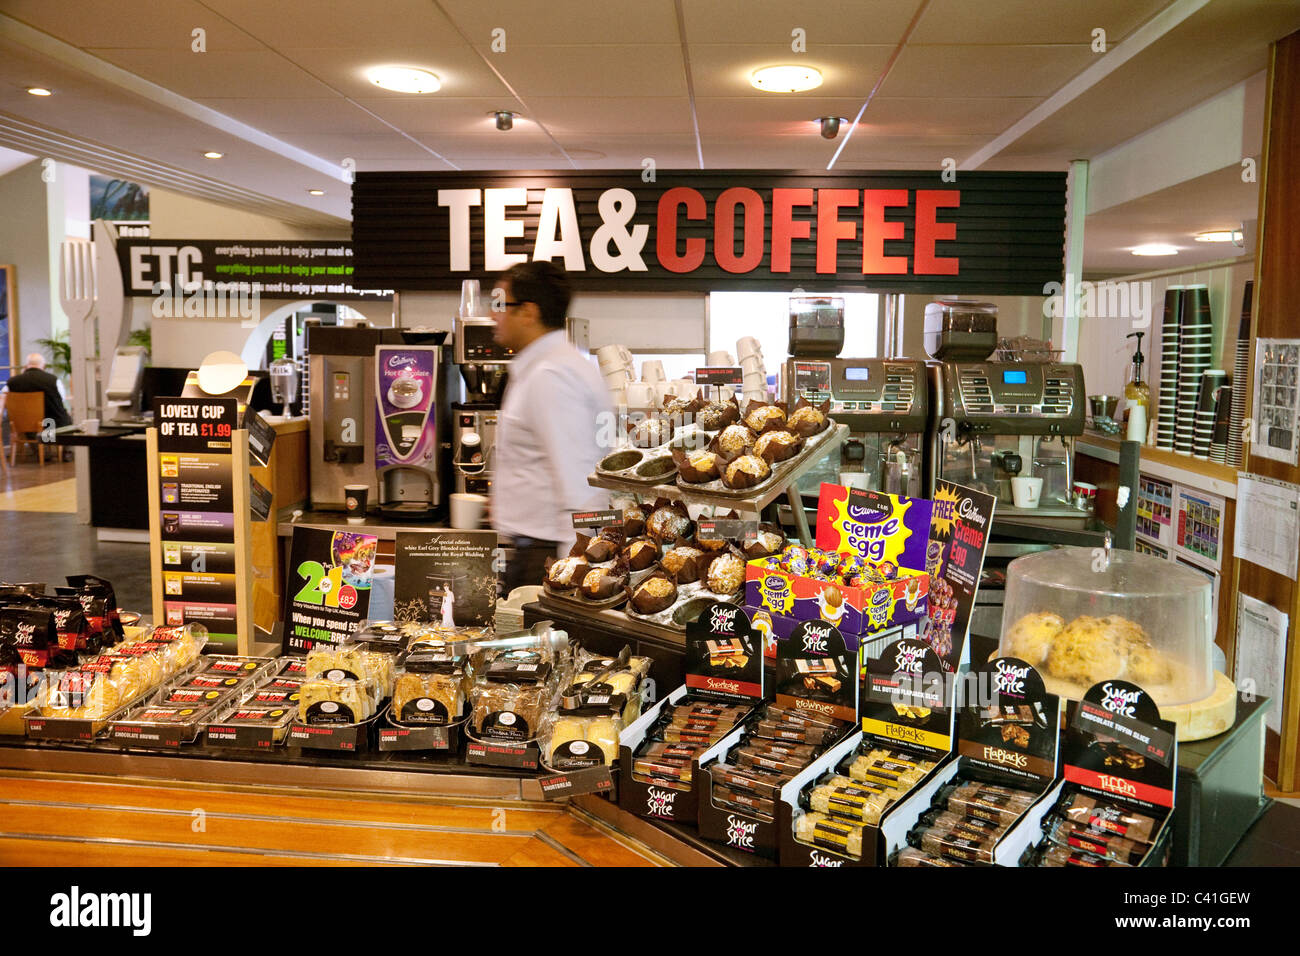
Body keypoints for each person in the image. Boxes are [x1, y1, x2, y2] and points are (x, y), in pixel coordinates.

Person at [490, 261, 613, 595]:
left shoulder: (552, 375)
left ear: (528, 312)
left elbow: (580, 482)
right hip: (535, 550)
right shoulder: (546, 367)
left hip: (545, 559)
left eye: (501, 304)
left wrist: (571, 575)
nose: (493, 315)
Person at [7, 353, 72, 429]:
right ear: (44, 366)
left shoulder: (11, 382)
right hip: (51, 429)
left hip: (23, 430)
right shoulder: (53, 380)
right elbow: (62, 399)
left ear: (26, 366)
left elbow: (5, 401)